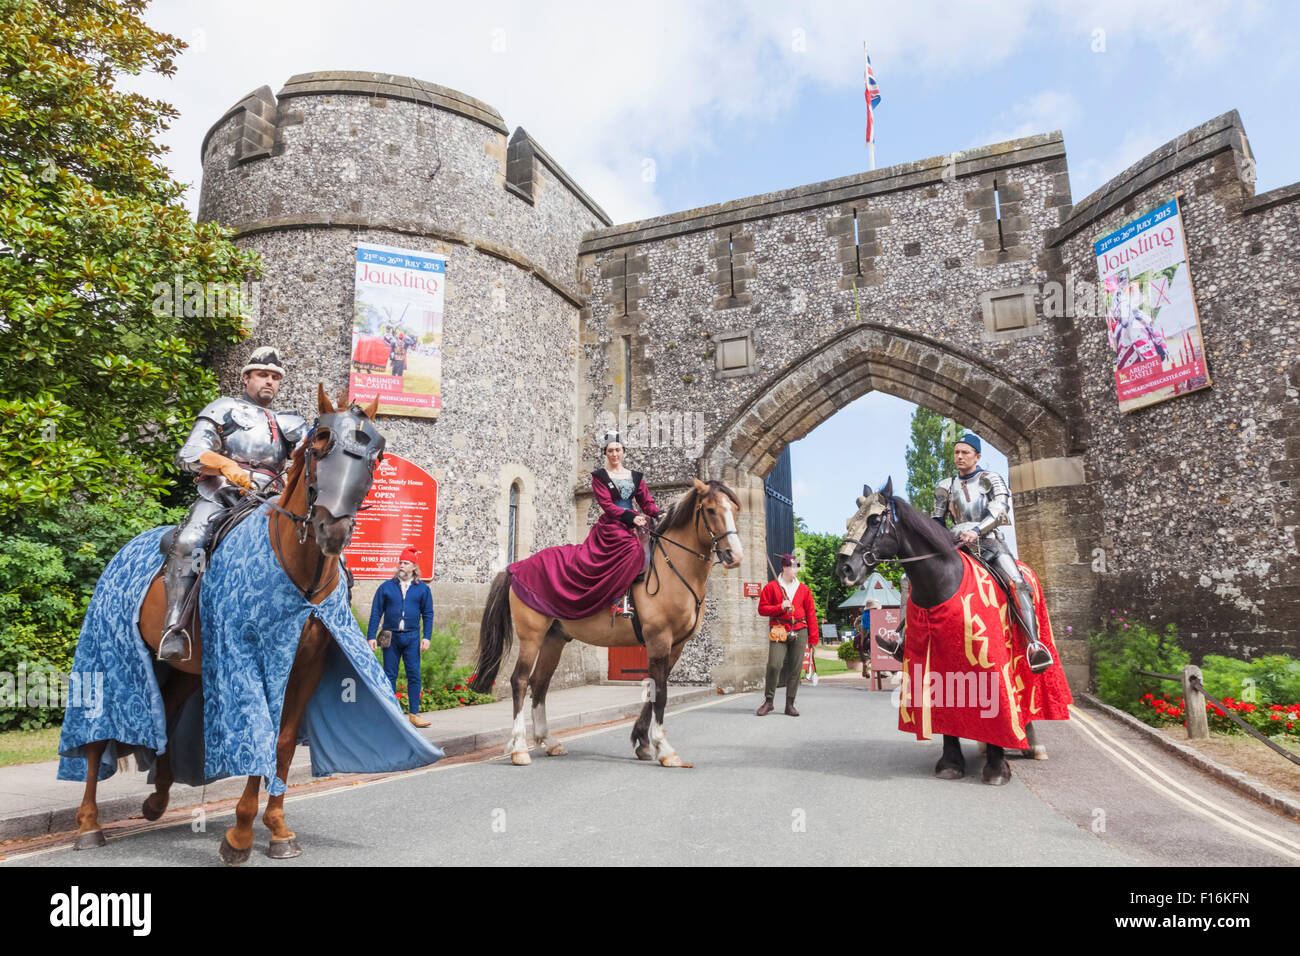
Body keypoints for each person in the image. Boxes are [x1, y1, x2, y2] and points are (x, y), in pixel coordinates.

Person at [158, 346, 309, 662]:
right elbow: (187, 456)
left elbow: (308, 461)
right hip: (221, 495)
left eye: (274, 377)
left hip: (270, 499)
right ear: (246, 378)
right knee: (188, 542)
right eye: (262, 375)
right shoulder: (224, 408)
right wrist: (227, 466)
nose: (269, 381)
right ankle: (174, 627)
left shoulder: (289, 422)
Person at [507, 432, 662, 621]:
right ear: (605, 453)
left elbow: (646, 502)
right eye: (611, 450)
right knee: (632, 549)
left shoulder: (635, 477)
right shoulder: (600, 477)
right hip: (613, 526)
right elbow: (608, 506)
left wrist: (658, 513)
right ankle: (617, 600)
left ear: (623, 452)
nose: (615, 454)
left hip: (634, 524)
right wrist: (632, 517)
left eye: (618, 450)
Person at [932, 433, 1052, 672]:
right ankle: (901, 637)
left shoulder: (992, 479)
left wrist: (977, 530)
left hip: (989, 543)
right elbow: (937, 520)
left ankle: (1034, 645)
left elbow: (999, 511)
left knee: (1017, 582)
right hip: (956, 544)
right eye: (956, 452)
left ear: (977, 456)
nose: (959, 456)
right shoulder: (945, 486)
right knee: (911, 578)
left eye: (965, 452)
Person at [367, 547, 435, 728]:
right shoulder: (386, 587)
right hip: (390, 636)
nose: (402, 566)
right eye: (401, 563)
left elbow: (428, 614)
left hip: (412, 637)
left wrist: (426, 636)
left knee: (414, 674)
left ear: (414, 567)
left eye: (406, 563)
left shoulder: (422, 589)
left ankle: (414, 714)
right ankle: (391, 713)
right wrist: (371, 635)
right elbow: (376, 612)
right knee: (390, 674)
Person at [756, 554, 820, 716]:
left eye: (797, 566)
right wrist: (780, 607)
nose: (796, 569)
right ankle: (769, 701)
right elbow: (762, 609)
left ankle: (789, 704)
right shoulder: (771, 587)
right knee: (774, 664)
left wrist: (813, 638)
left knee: (795, 669)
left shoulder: (804, 589)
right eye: (793, 566)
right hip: (779, 629)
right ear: (784, 567)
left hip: (800, 629)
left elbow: (811, 614)